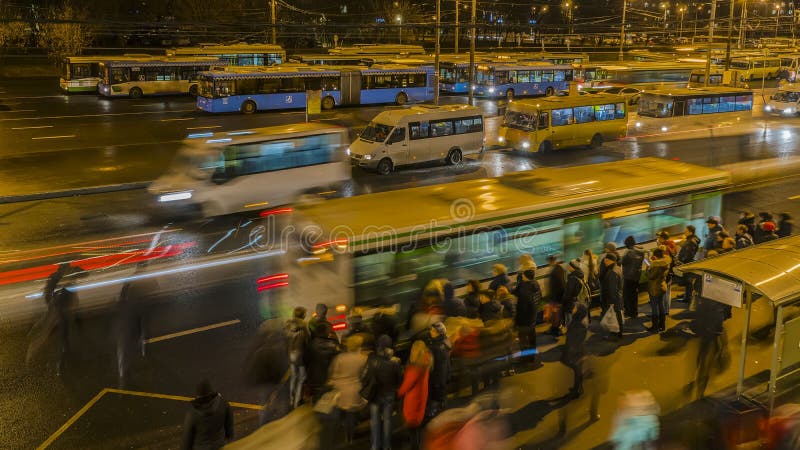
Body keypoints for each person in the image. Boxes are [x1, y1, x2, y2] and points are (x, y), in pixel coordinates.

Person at [363, 335, 403, 450]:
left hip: (375, 395)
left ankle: (375, 445)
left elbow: (364, 376)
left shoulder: (371, 359)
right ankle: (387, 446)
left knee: (375, 421)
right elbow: (399, 380)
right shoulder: (395, 362)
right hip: (389, 395)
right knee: (387, 421)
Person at [328, 335, 368, 444]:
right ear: (359, 346)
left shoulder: (339, 358)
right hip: (356, 390)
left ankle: (345, 433)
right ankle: (351, 436)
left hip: (341, 391)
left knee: (344, 413)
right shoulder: (363, 359)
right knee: (352, 414)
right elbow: (366, 376)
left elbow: (333, 375)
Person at [398, 340, 433, 450]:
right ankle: (418, 443)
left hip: (413, 399)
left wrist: (398, 393)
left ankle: (415, 447)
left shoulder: (415, 369)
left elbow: (405, 386)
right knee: (417, 425)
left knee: (412, 426)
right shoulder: (426, 361)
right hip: (422, 396)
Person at [181, 380, 234, 450]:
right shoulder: (223, 404)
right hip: (219, 445)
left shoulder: (193, 413)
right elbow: (229, 424)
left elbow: (187, 438)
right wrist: (229, 436)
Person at [305, 321, 340, 403]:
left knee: (317, 400)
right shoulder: (333, 344)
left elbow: (305, 361)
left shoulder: (310, 345)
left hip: (314, 379)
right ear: (326, 331)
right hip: (329, 378)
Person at [561, 303, 589, 397]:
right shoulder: (576, 321)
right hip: (574, 349)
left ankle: (578, 389)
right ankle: (577, 387)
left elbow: (576, 337)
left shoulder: (579, 324)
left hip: (576, 350)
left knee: (576, 368)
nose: (573, 309)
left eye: (575, 308)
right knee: (576, 368)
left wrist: (567, 332)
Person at [285, 307, 310, 408]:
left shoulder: (288, 324)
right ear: (302, 315)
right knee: (302, 378)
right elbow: (308, 338)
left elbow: (285, 338)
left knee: (293, 377)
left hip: (291, 354)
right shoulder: (304, 325)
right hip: (300, 354)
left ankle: (291, 399)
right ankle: (297, 401)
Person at [513, 268, 541, 359]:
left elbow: (522, 306)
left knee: (523, 339)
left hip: (524, 319)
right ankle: (532, 356)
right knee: (532, 337)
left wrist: (517, 320)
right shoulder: (535, 284)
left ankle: (525, 358)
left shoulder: (524, 289)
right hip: (533, 316)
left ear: (525, 276)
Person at [427, 322, 451, 416]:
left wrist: (436, 382)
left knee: (436, 399)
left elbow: (438, 367)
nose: (430, 332)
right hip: (444, 376)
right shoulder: (445, 341)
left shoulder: (436, 348)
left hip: (437, 379)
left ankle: (435, 415)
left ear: (439, 332)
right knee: (441, 397)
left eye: (433, 330)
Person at [601, 253, 624, 338]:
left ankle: (616, 334)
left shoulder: (612, 272)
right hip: (619, 297)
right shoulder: (618, 268)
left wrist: (611, 302)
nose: (604, 262)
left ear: (610, 260)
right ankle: (619, 333)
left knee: (615, 317)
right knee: (618, 316)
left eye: (606, 260)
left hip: (614, 299)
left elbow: (612, 289)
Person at [621, 236, 645, 319]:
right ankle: (634, 312)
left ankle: (628, 312)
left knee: (627, 295)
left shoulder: (628, 253)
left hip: (628, 277)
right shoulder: (641, 252)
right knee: (634, 294)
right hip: (637, 276)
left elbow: (622, 262)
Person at [676, 225, 701, 303]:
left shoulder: (690, 242)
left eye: (686, 231)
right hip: (688, 262)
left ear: (690, 232)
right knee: (688, 280)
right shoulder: (693, 240)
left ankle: (687, 298)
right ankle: (686, 295)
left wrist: (681, 261)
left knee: (687, 281)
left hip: (686, 263)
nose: (684, 232)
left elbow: (688, 254)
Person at [646, 248, 669, 333]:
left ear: (655, 255)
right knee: (661, 306)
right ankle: (662, 326)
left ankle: (655, 327)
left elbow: (651, 276)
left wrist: (647, 269)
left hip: (654, 289)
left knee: (654, 308)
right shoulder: (665, 263)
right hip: (662, 286)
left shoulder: (656, 265)